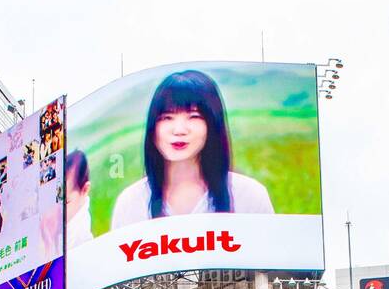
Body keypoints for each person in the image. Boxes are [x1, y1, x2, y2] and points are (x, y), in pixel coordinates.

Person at [109, 68, 274, 230]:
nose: (179, 130)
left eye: (194, 116)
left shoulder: (248, 195)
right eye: (167, 118)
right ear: (153, 127)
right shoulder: (131, 203)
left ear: (212, 124)